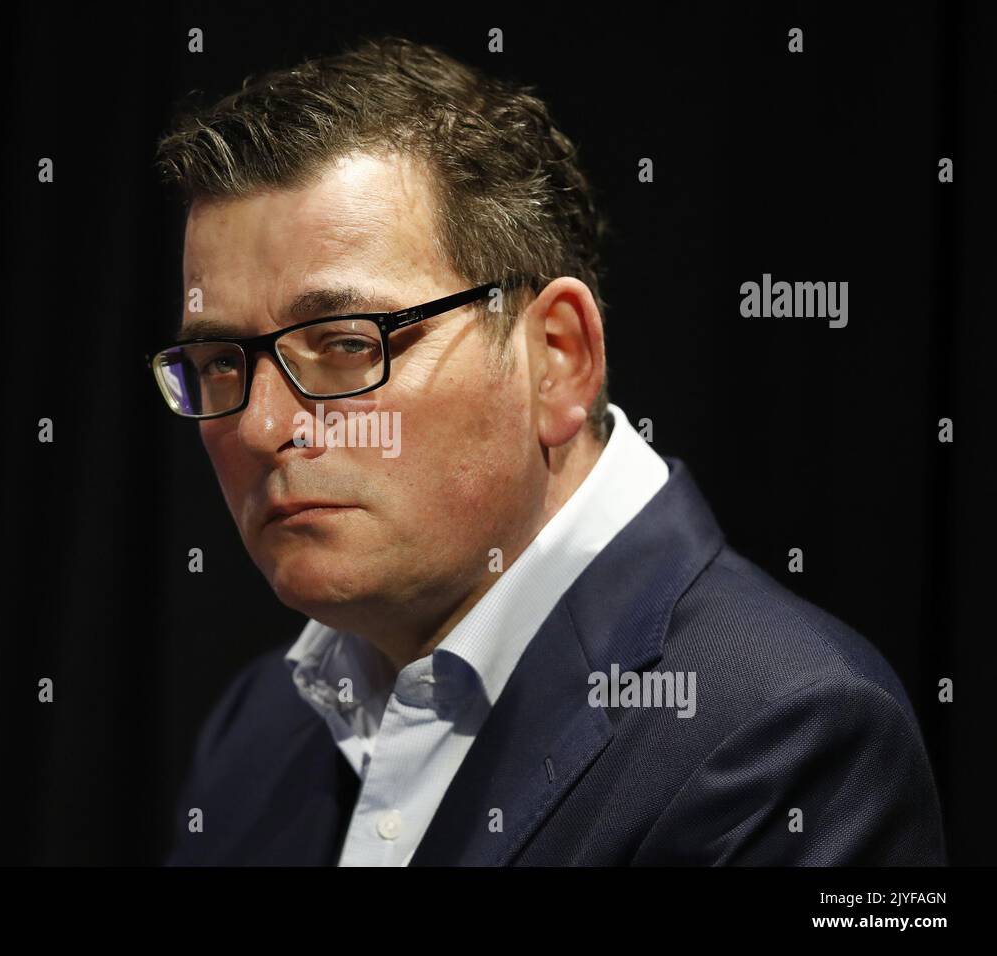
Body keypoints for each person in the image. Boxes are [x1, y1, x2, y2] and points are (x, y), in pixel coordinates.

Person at [148, 36, 946, 865]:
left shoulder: (790, 733)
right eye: (219, 362)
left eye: (348, 344)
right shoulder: (256, 729)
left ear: (557, 360)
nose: (261, 427)